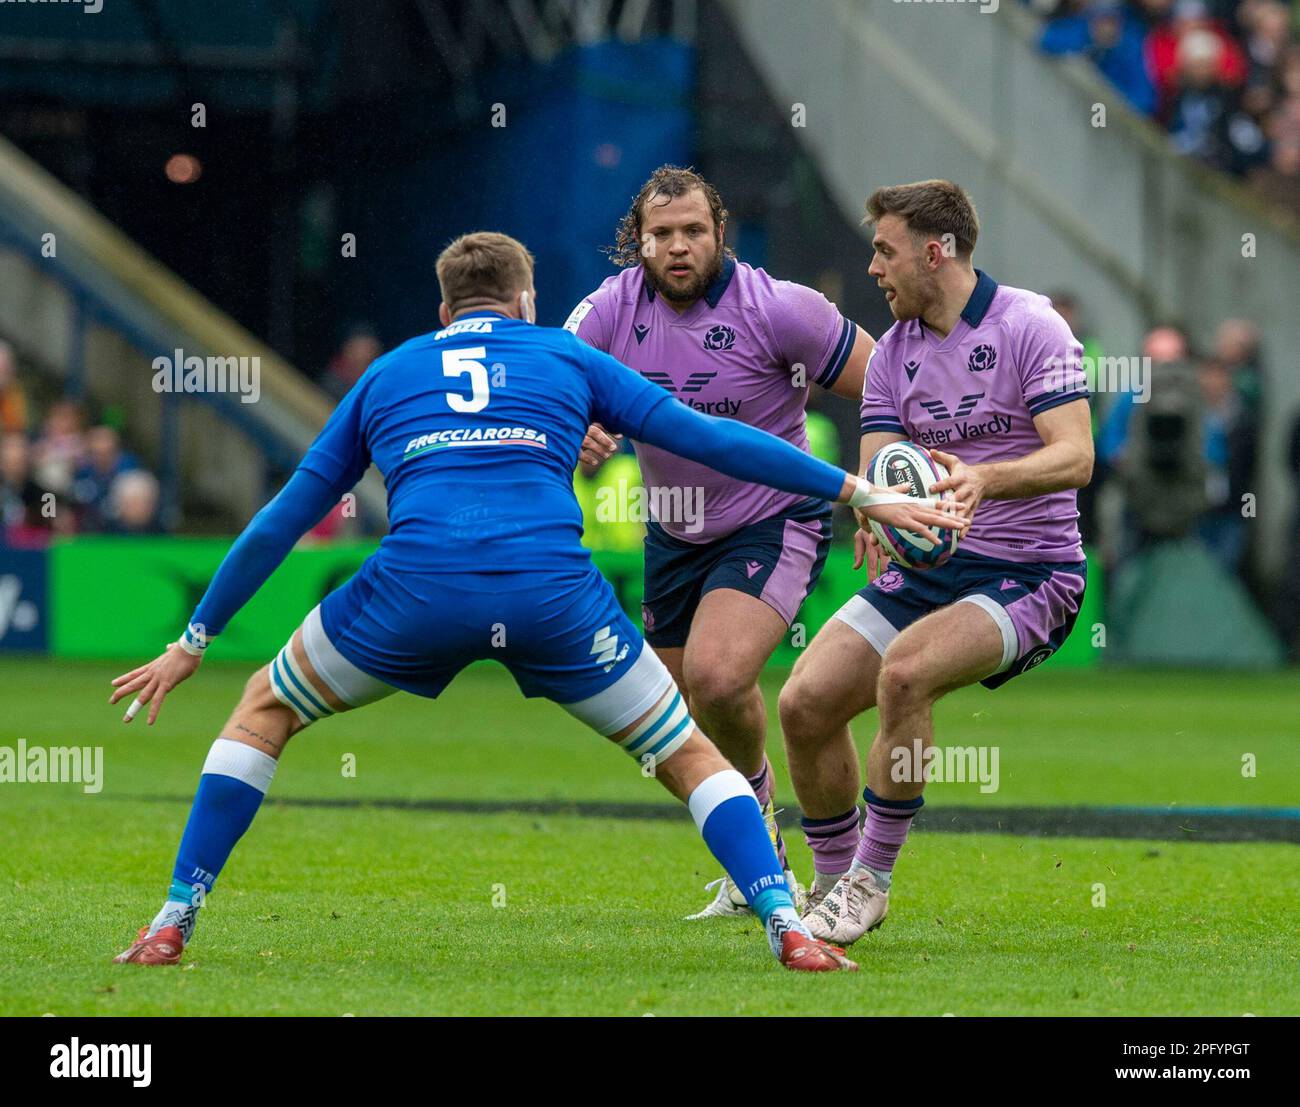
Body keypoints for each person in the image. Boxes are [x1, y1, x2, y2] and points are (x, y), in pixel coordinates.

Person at [108, 231, 966, 973]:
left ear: (445, 311)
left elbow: (286, 513)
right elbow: (712, 438)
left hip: (414, 589)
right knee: (689, 752)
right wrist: (859, 489)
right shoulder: (566, 356)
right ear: (525, 300)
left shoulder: (390, 372)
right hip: (552, 596)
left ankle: (172, 919)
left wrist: (195, 636)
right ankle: (787, 923)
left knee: (263, 705)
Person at [777, 180, 1094, 944]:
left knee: (907, 672)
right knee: (803, 703)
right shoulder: (891, 355)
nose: (875, 269)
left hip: (1032, 573)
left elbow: (1076, 456)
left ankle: (873, 881)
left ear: (934, 250)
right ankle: (833, 880)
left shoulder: (1030, 326)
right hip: (931, 569)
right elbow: (883, 462)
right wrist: (878, 508)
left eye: (885, 251)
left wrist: (984, 475)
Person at [568, 165, 876, 919]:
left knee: (716, 675)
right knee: (678, 711)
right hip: (672, 528)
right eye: (662, 234)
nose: (679, 247)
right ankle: (762, 857)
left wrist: (874, 485)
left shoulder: (779, 310)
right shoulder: (610, 309)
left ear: (720, 232)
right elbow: (554, 382)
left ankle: (837, 865)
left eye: (693, 231)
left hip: (775, 516)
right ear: (637, 243)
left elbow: (886, 376)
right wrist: (578, 425)